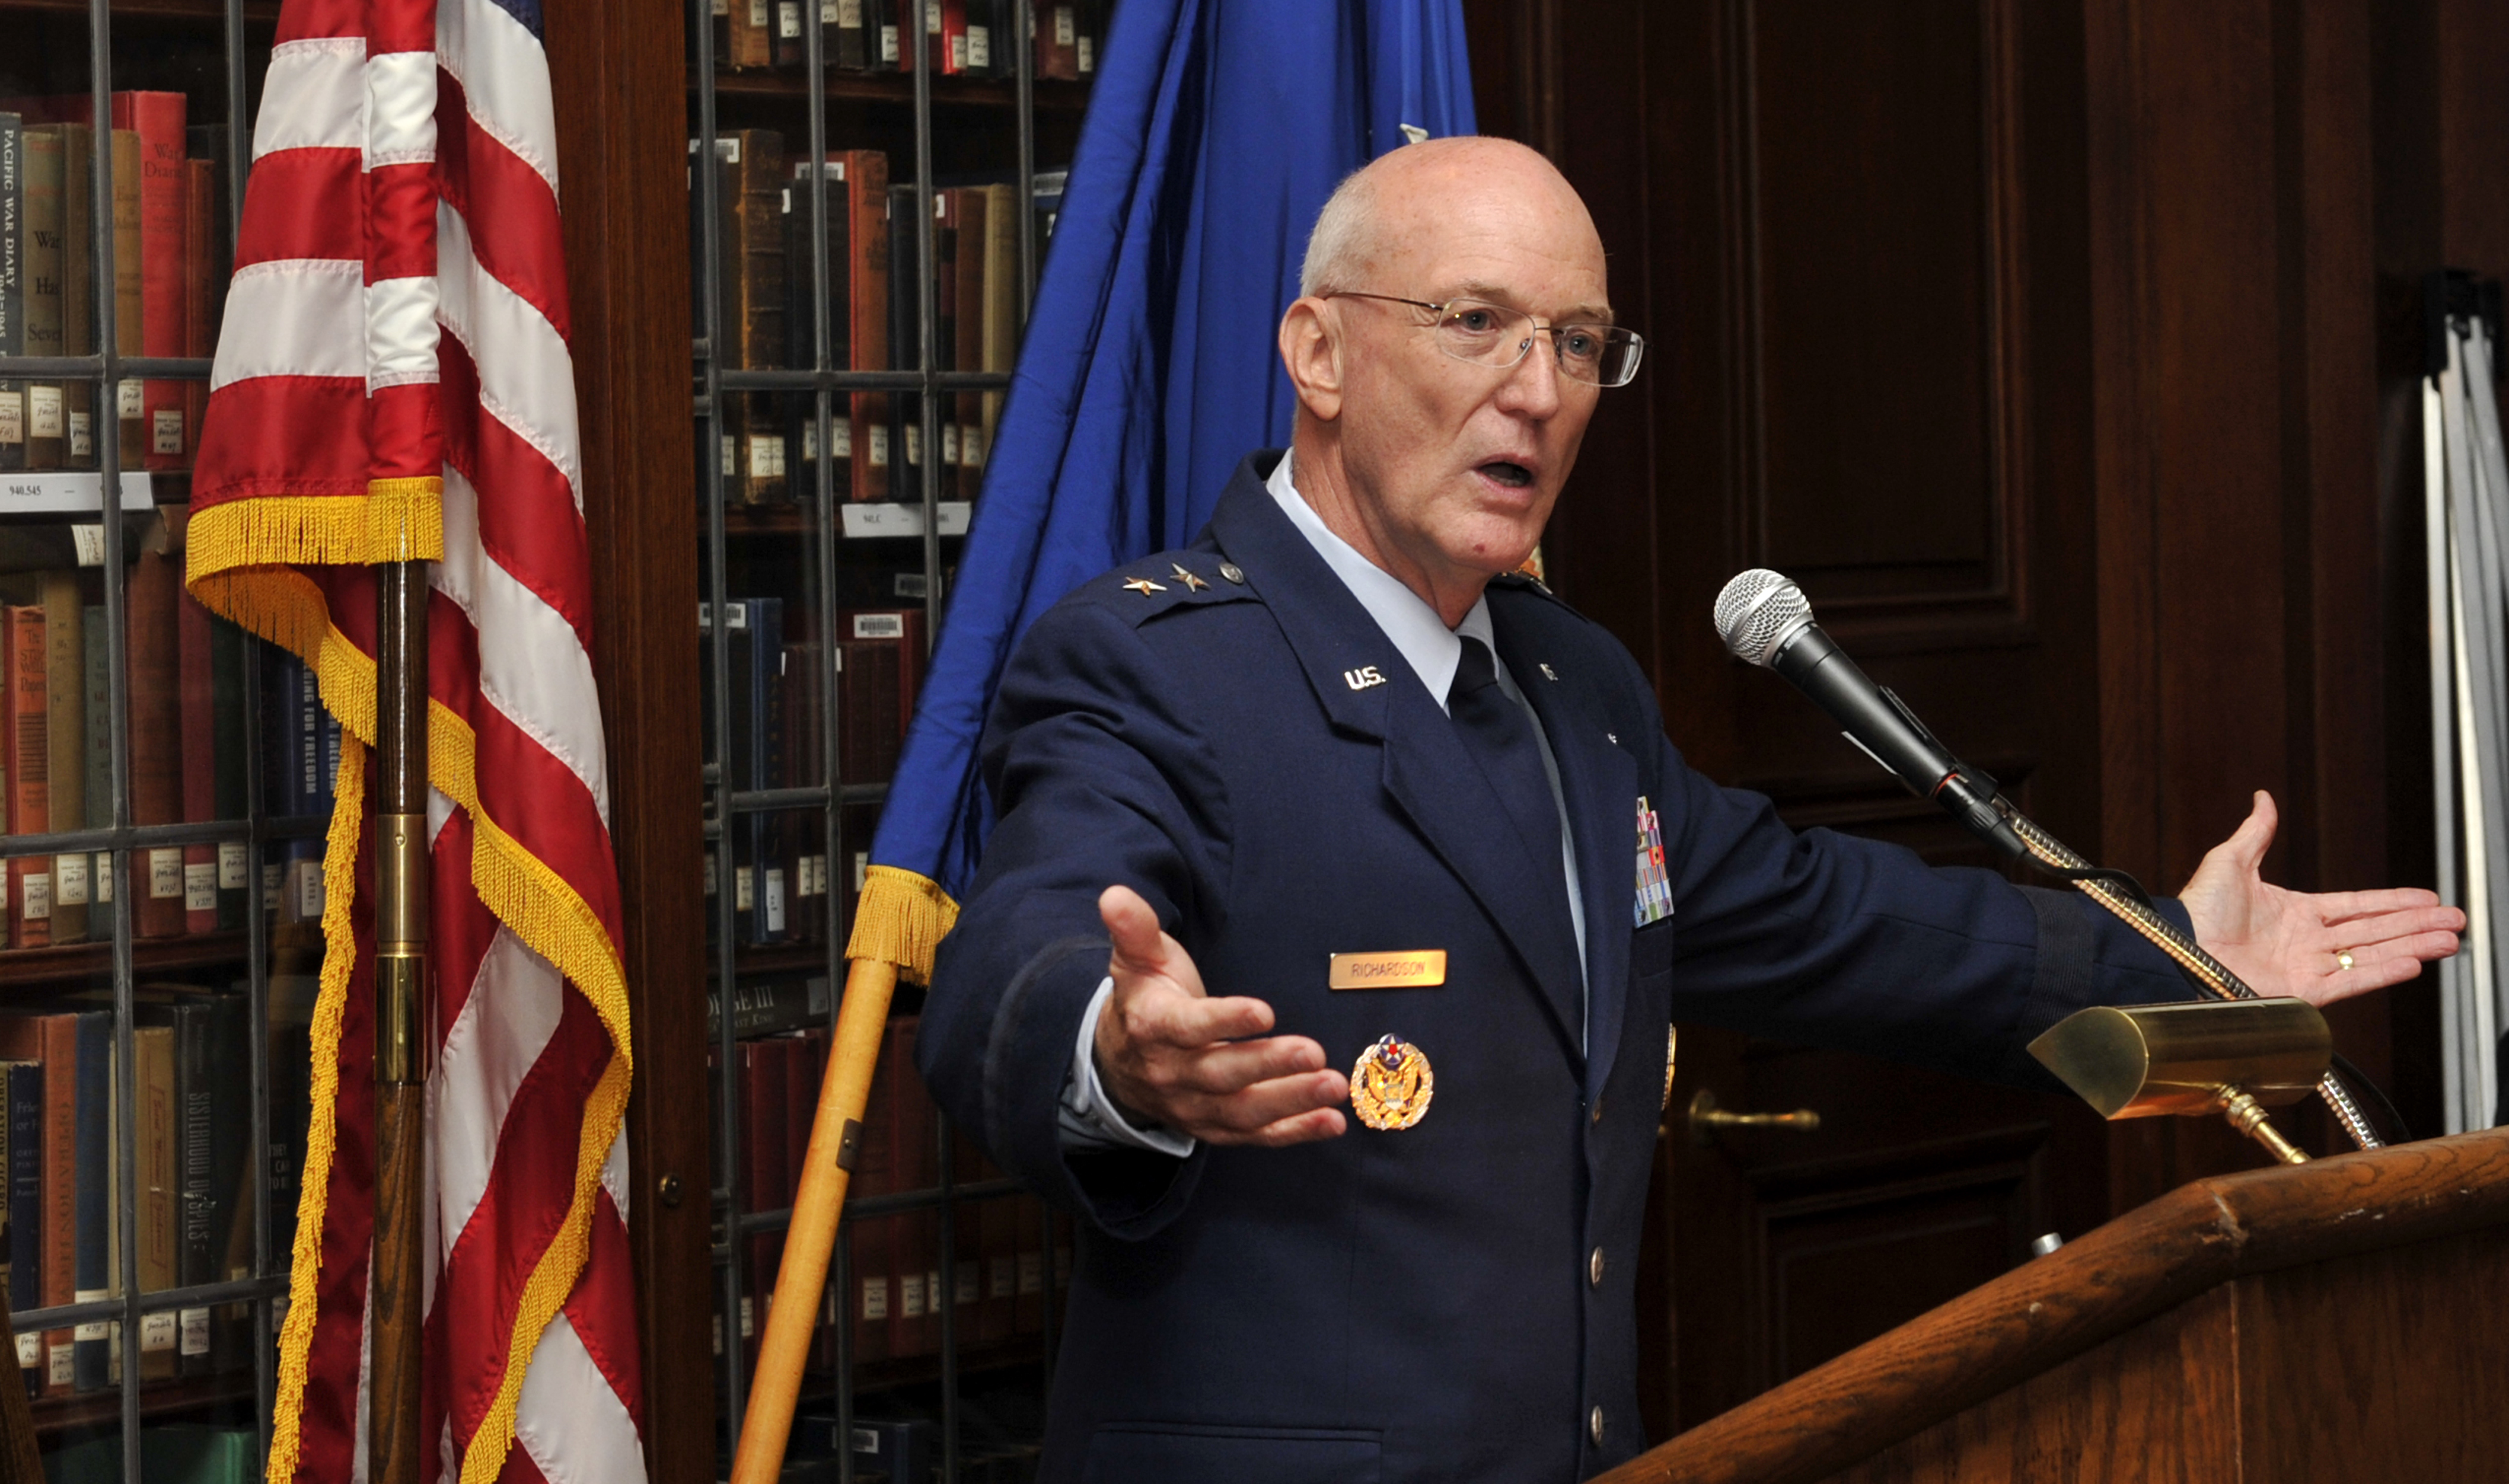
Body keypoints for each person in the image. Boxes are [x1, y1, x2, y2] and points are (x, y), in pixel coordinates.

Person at [915, 137, 2462, 1484]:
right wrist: (1109, 1055)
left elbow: (1828, 917)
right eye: (1477, 326)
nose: (1539, 390)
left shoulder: (1571, 682)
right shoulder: (1153, 660)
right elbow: (1025, 947)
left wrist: (2175, 949)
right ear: (1318, 353)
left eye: (1580, 343)